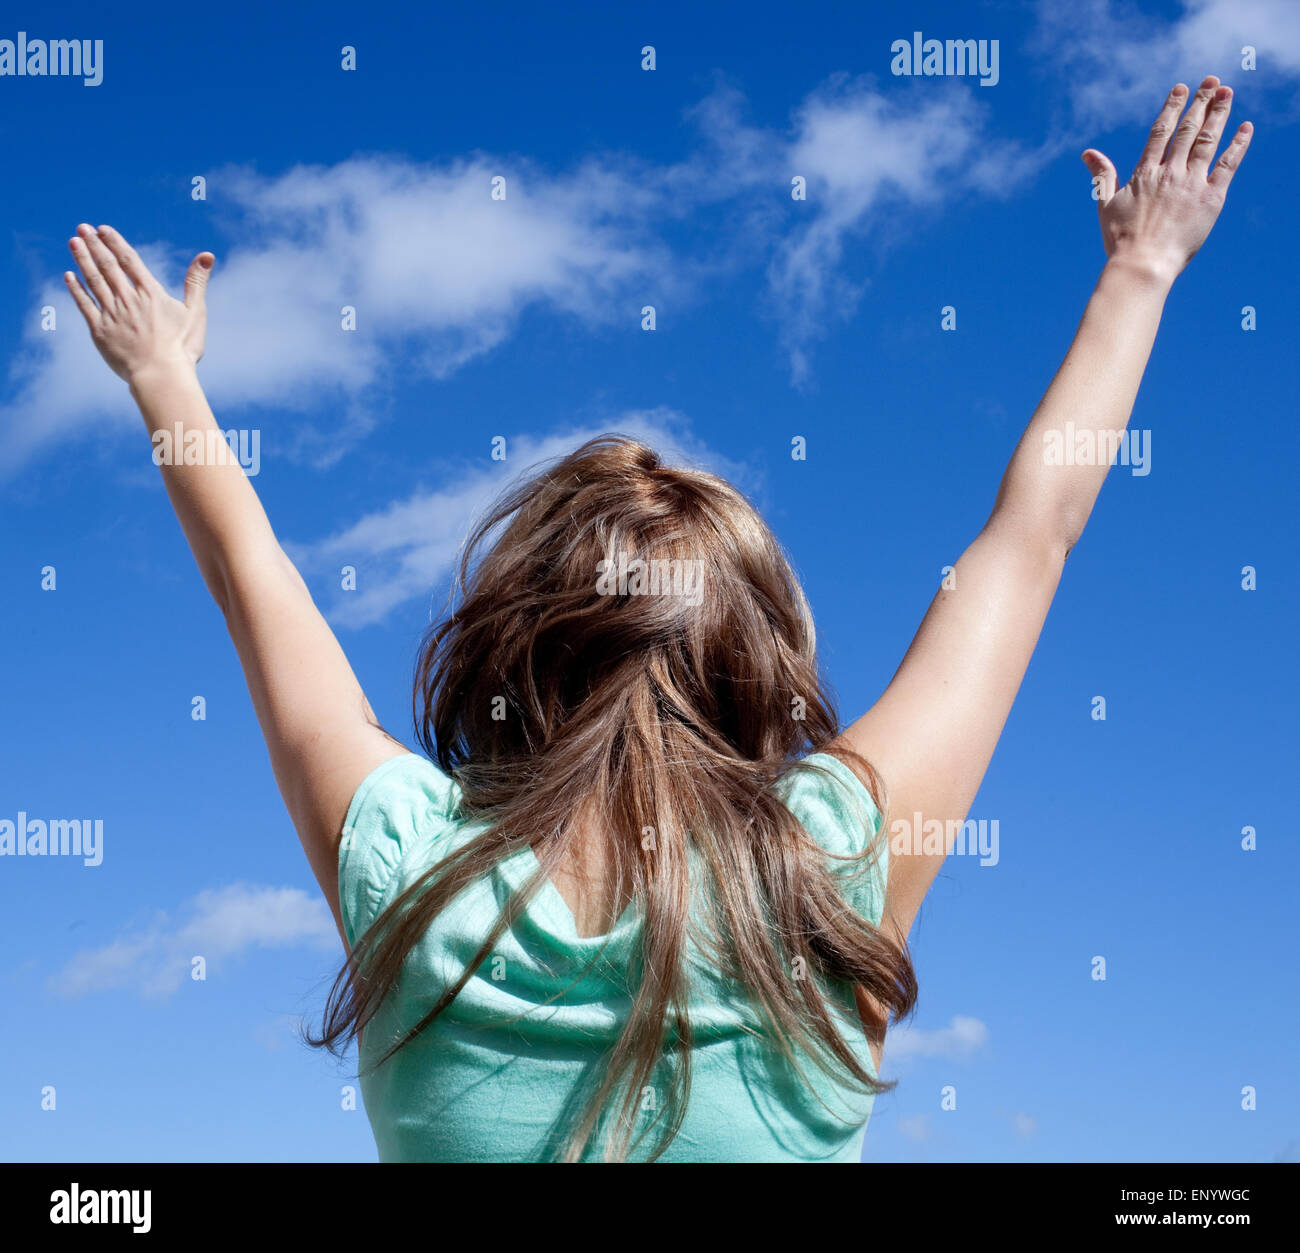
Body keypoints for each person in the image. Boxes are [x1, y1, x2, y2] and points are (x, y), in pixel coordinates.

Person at [64, 76, 1251, 1162]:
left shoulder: (409, 867)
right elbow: (1026, 545)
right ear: (756, 663)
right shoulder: (828, 862)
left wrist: (164, 373)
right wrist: (1138, 271)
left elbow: (248, 577)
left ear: (510, 649)